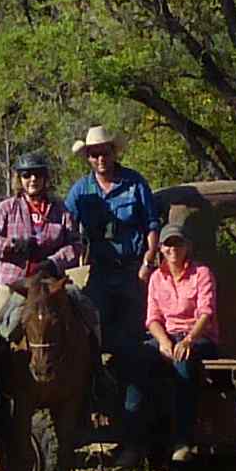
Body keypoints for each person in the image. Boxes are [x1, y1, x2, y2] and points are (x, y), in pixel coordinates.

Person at [123, 219, 219, 465]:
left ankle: (182, 441)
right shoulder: (156, 278)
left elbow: (206, 313)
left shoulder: (201, 273)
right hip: (167, 336)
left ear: (187, 247)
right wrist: (163, 341)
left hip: (198, 337)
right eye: (168, 245)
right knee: (136, 364)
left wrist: (187, 341)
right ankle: (134, 443)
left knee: (183, 366)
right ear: (162, 249)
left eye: (178, 244)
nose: (173, 250)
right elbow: (152, 318)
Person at [64, 125, 162, 358]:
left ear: (114, 152)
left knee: (138, 331)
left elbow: (152, 223)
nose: (100, 159)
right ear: (87, 157)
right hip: (99, 270)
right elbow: (66, 224)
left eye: (105, 153)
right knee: (92, 327)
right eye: (94, 154)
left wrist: (148, 262)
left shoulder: (134, 183)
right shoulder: (80, 190)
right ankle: (99, 383)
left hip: (133, 269)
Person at [0, 153, 80, 344]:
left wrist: (54, 262)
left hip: (51, 282)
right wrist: (12, 245)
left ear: (45, 178)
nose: (32, 179)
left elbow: (75, 244)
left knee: (88, 312)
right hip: (14, 283)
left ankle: (96, 369)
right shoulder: (5, 209)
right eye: (26, 175)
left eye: (38, 175)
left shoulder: (60, 210)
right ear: (19, 178)